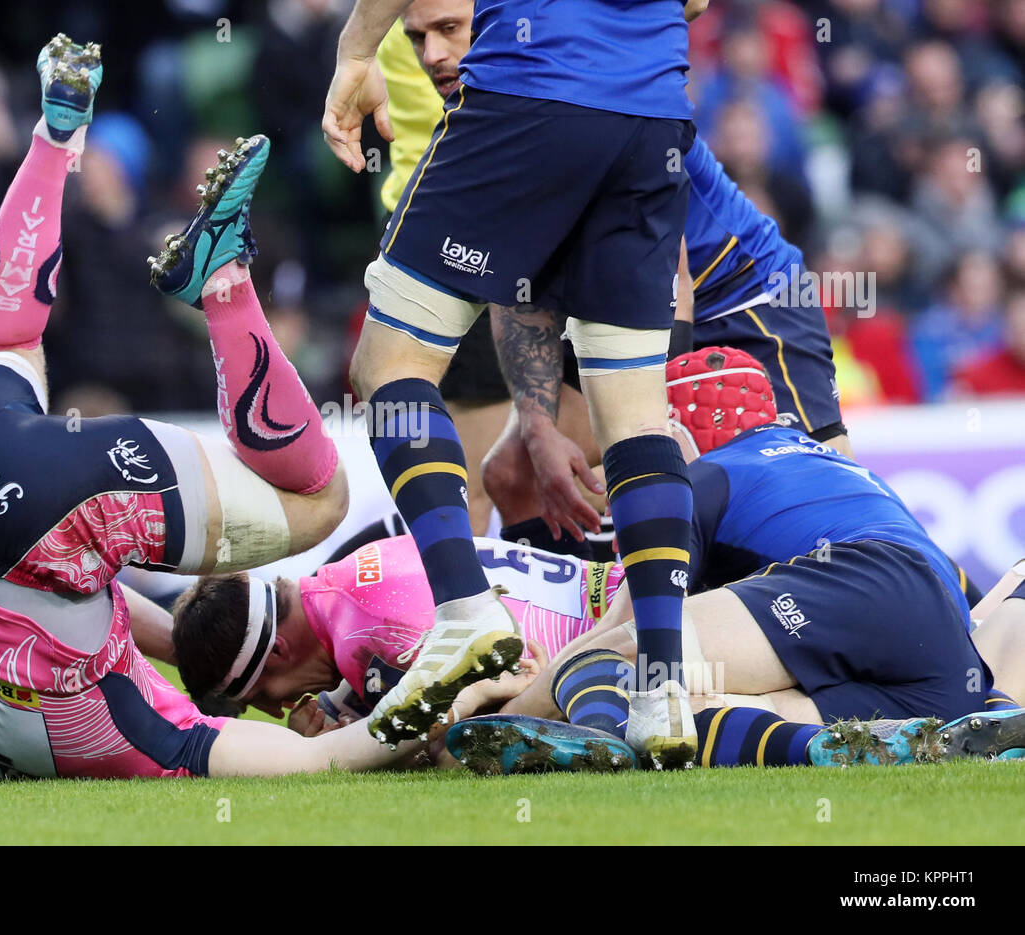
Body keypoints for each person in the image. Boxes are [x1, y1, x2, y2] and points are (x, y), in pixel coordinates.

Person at [0, 34, 463, 782]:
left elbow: (317, 758)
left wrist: (402, 715)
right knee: (3, 341)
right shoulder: (107, 718)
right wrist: (413, 710)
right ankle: (62, 138)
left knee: (317, 500)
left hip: (28, 502)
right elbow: (302, 752)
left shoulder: (124, 727)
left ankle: (218, 275)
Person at [322, 0, 710, 764]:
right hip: (654, 119)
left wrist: (355, 51)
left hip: (532, 91)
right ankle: (661, 688)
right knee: (634, 411)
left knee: (389, 363)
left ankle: (467, 612)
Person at [447, 347, 1008, 772]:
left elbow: (630, 625)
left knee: (633, 659)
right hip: (944, 653)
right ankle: (898, 741)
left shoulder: (693, 479)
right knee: (708, 703)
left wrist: (511, 704)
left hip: (863, 583)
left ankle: (603, 741)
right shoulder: (822, 462)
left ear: (671, 433)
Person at [170, 535, 624, 723]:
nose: (281, 708)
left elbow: (426, 729)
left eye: (260, 697)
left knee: (451, 749)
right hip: (624, 593)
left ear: (279, 652)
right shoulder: (342, 582)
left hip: (623, 644)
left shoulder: (360, 639)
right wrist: (335, 716)